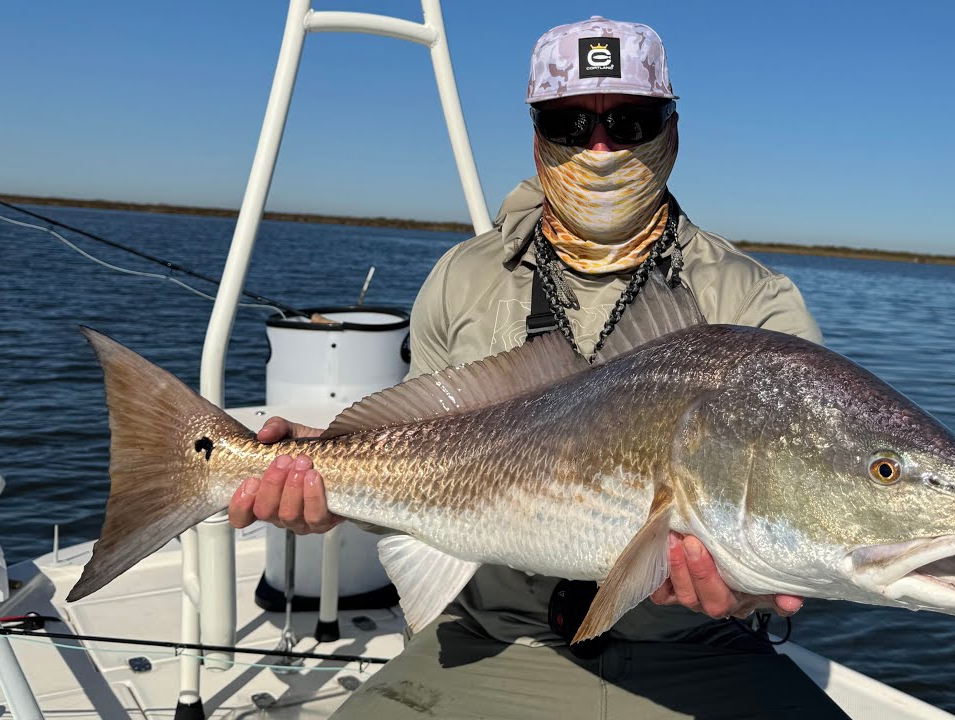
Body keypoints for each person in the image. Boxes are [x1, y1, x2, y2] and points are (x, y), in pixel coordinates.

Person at [229, 16, 846, 719]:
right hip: (491, 637)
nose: (603, 147)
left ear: (673, 129)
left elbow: (806, 501)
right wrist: (323, 484)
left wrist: (752, 585)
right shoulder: (463, 278)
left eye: (633, 122)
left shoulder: (752, 299)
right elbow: (417, 458)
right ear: (535, 136)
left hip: (697, 646)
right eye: (570, 125)